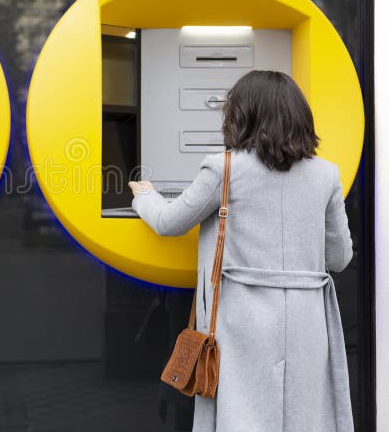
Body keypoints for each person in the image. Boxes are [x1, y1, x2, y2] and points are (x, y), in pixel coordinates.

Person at [129, 70, 354, 432]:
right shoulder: (326, 174)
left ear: (242, 116)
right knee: (303, 417)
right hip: (307, 320)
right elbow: (340, 257)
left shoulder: (223, 168)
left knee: (243, 416)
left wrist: (145, 197)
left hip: (242, 319)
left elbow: (170, 222)